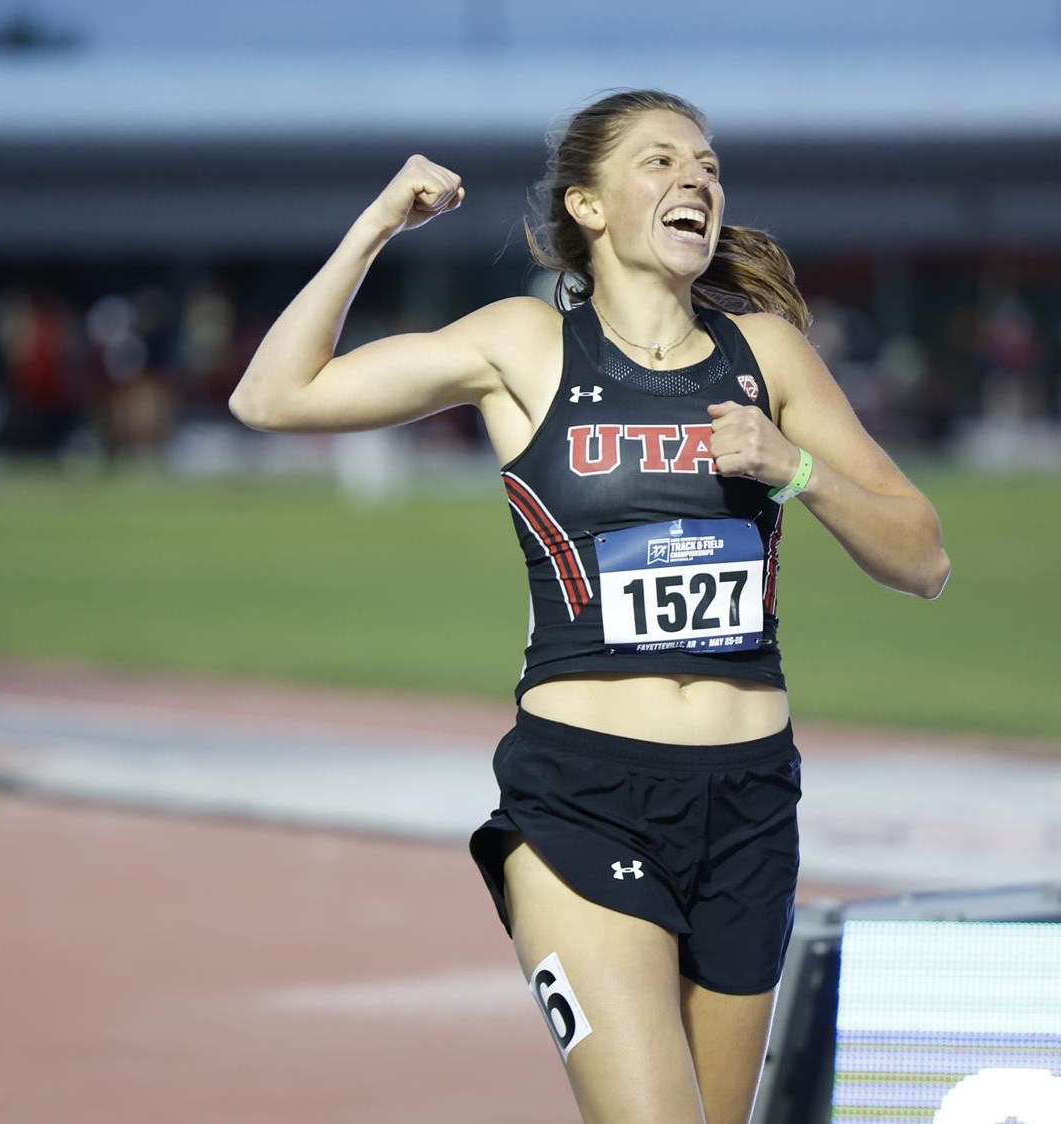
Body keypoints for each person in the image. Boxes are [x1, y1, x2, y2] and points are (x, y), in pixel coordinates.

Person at [229, 89, 949, 1124]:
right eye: (659, 162)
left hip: (748, 805)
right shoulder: (523, 345)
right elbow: (271, 396)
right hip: (583, 799)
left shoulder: (767, 356)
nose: (695, 178)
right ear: (590, 205)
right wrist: (377, 223)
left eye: (706, 163)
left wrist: (792, 471)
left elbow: (921, 555)